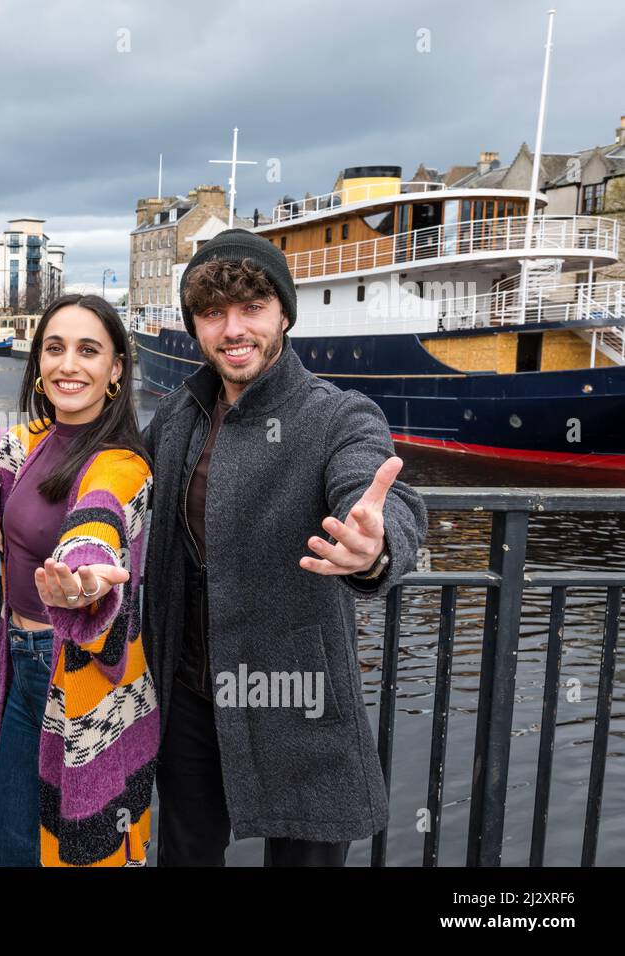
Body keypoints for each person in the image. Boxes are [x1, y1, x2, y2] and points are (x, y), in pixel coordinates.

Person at [141, 229, 428, 866]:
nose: (232, 329)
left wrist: (374, 545)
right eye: (213, 313)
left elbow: (382, 492)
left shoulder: (337, 414)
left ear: (285, 315)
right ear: (196, 327)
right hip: (189, 693)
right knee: (185, 857)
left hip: (298, 698)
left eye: (252, 308)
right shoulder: (179, 413)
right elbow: (110, 477)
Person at [0, 293, 157, 866]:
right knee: (16, 843)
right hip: (22, 664)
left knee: (81, 846)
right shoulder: (34, 441)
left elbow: (98, 519)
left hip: (77, 669)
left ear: (116, 369)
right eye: (55, 348)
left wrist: (85, 582)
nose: (68, 364)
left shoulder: (123, 462)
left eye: (88, 350)